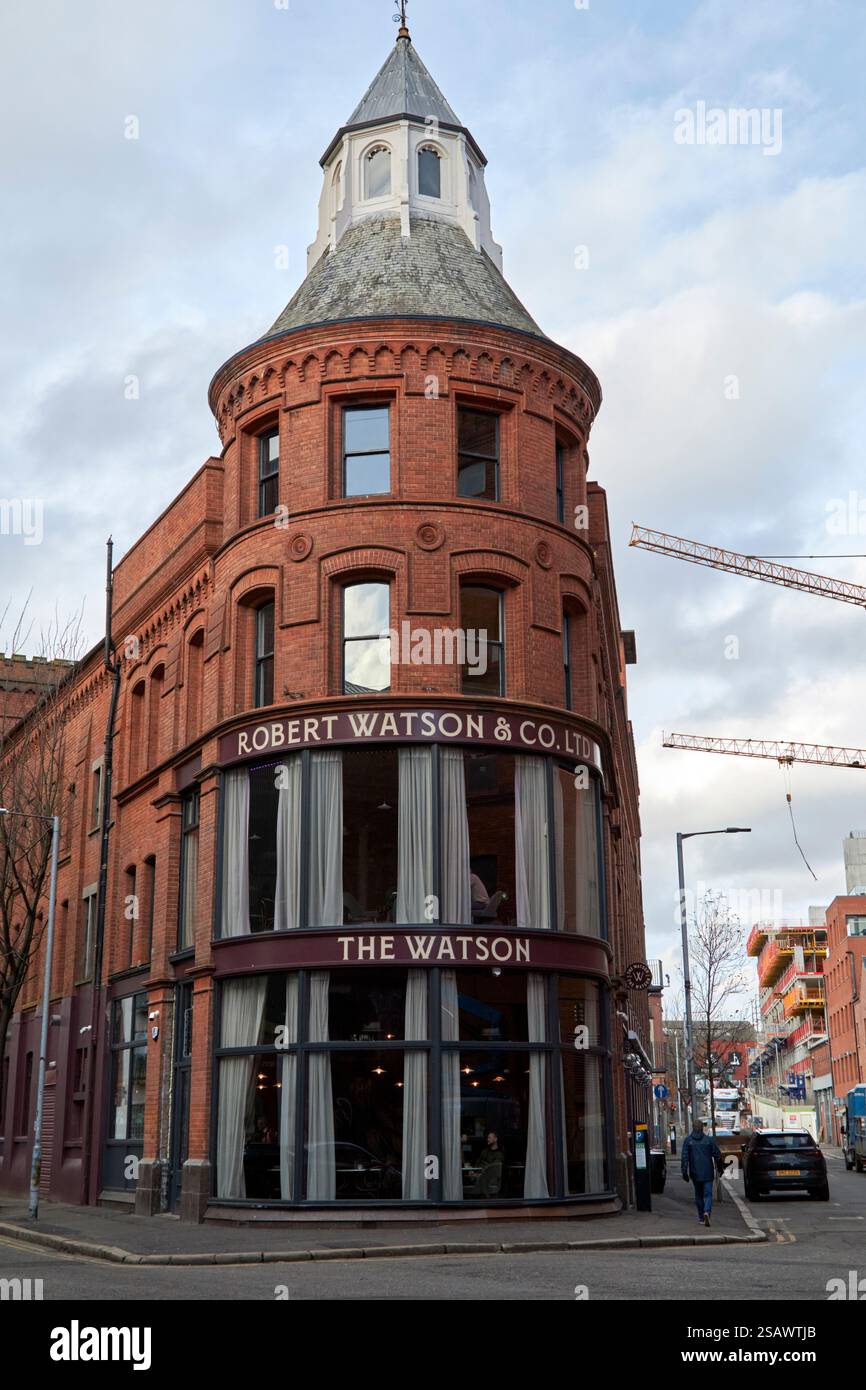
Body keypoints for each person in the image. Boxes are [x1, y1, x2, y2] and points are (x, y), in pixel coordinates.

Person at [681, 1119, 722, 1226]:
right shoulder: (709, 1140)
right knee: (708, 1194)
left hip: (695, 1173)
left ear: (693, 1128)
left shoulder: (688, 1141)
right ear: (702, 1128)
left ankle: (701, 1217)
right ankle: (707, 1212)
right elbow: (717, 1155)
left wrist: (684, 1172)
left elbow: (685, 1158)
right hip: (708, 1172)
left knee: (698, 1195)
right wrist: (720, 1168)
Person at [475, 1132, 504, 1197]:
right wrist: (474, 1171)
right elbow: (477, 1164)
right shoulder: (484, 1151)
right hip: (479, 1176)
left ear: (495, 1139)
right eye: (487, 1138)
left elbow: (494, 1169)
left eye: (489, 1138)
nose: (487, 1139)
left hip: (490, 1179)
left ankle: (487, 1199)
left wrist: (481, 1173)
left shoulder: (499, 1154)